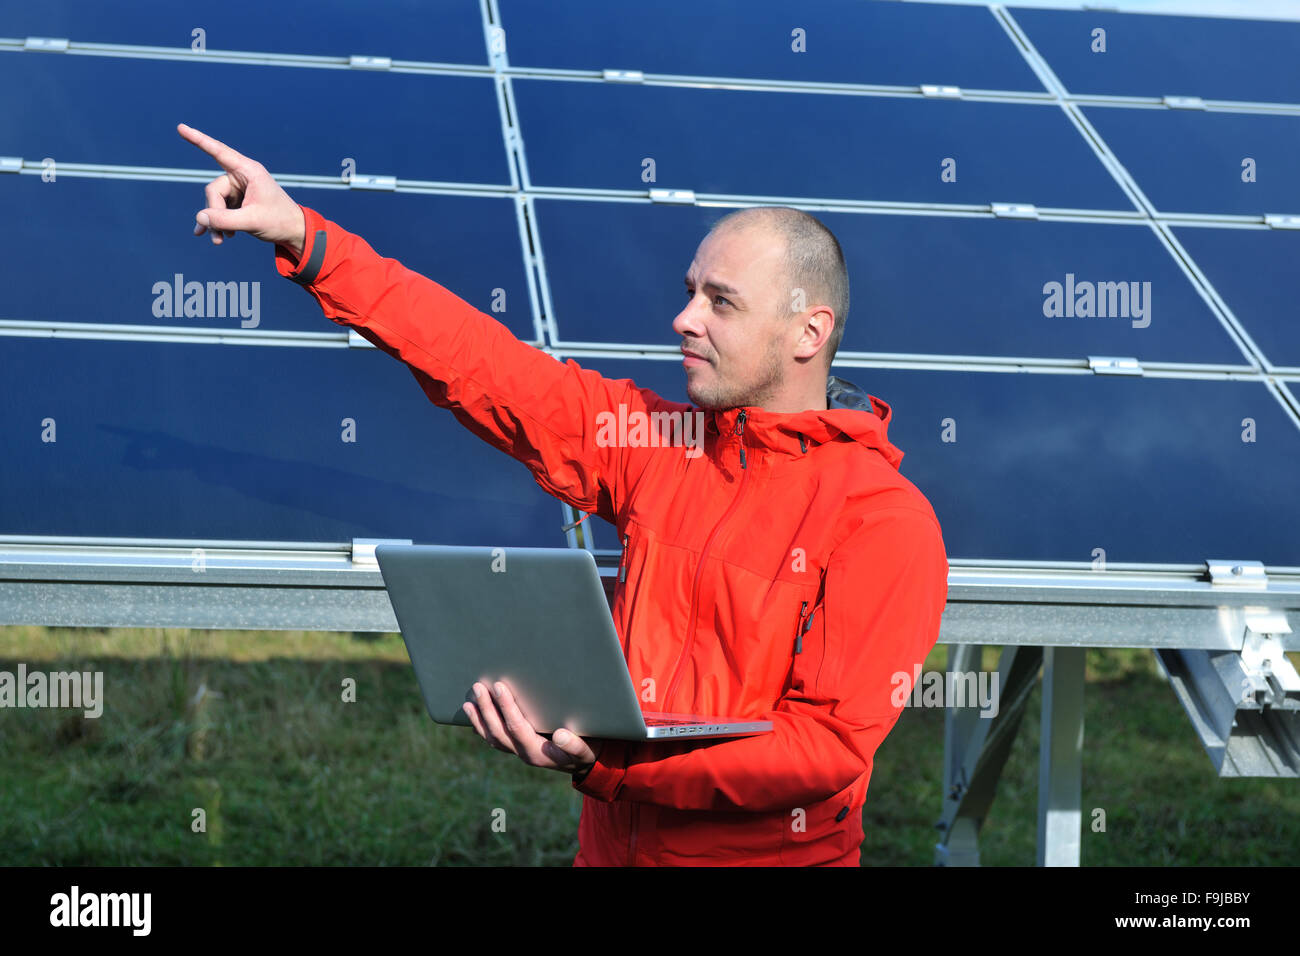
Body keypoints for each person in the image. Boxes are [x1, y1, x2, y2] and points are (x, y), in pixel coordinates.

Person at [177, 122, 950, 866]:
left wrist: (612, 765)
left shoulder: (882, 523)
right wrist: (308, 242)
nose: (682, 319)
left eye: (721, 301)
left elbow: (823, 750)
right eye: (689, 292)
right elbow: (487, 367)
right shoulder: (660, 446)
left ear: (808, 334)